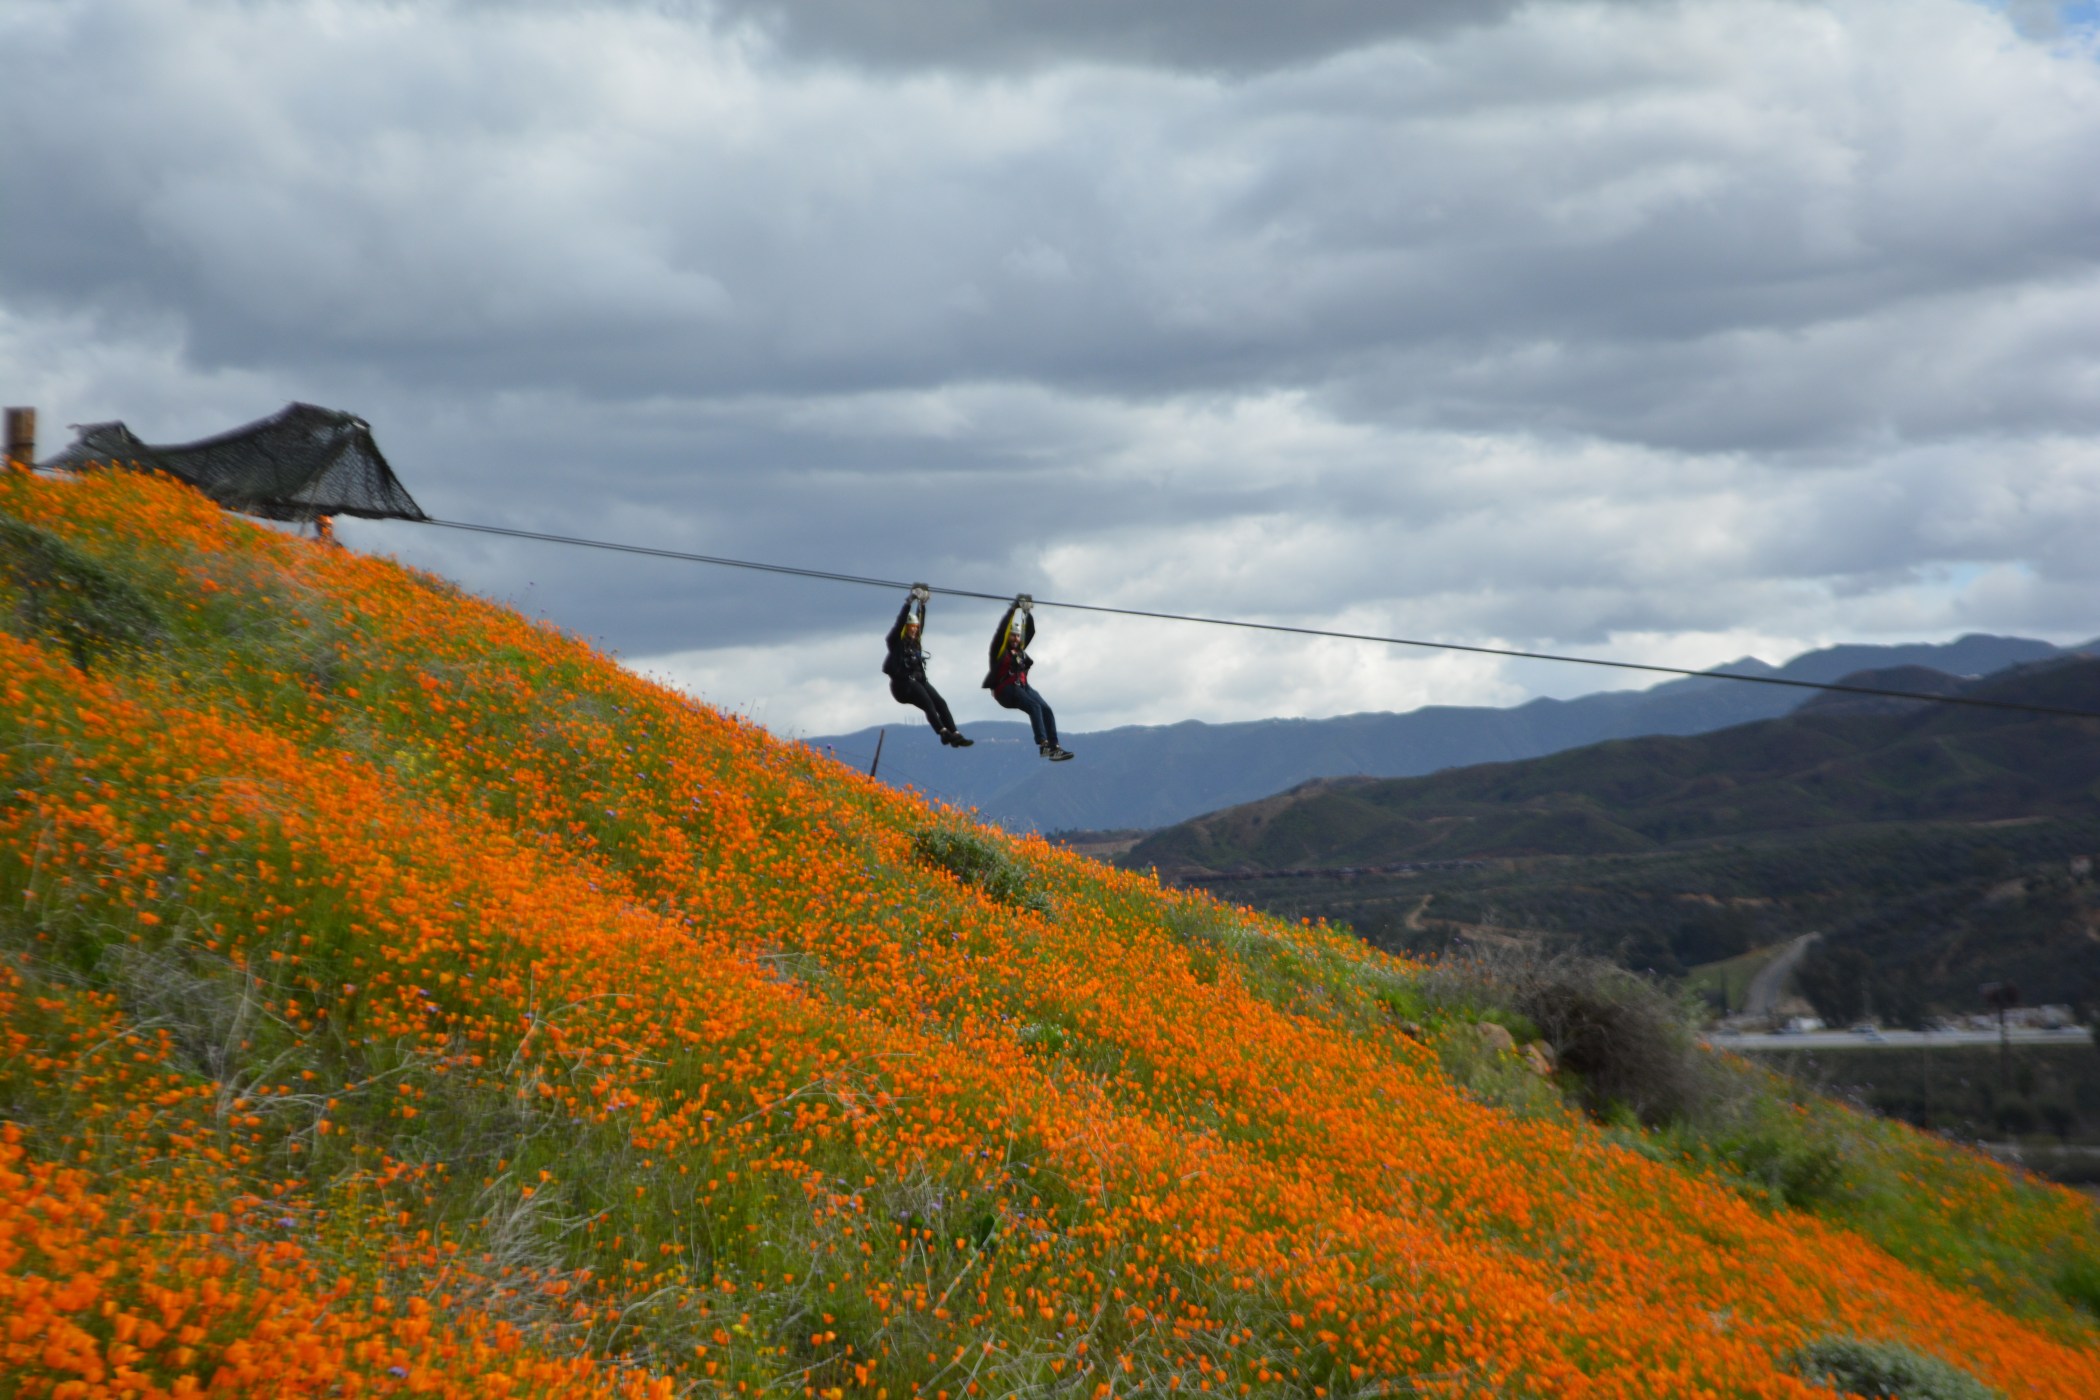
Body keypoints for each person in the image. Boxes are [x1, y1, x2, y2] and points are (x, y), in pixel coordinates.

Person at [983, 594, 1072, 761]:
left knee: (1046, 709)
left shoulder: (1021, 649)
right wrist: (1014, 608)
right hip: (1006, 690)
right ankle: (1043, 744)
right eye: (1013, 635)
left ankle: (1055, 747)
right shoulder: (1000, 651)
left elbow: (1030, 631)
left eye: (1017, 636)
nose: (1016, 639)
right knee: (1034, 707)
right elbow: (1002, 630)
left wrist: (1027, 612)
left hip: (1022, 687)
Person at [885, 584, 973, 747]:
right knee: (929, 704)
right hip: (903, 685)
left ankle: (955, 734)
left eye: (915, 627)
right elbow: (898, 625)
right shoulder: (896, 642)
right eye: (911, 627)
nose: (914, 630)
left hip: (918, 681)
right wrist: (909, 602)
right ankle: (943, 732)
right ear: (906, 627)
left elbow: (921, 622)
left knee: (941, 703)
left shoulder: (915, 642)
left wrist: (922, 604)